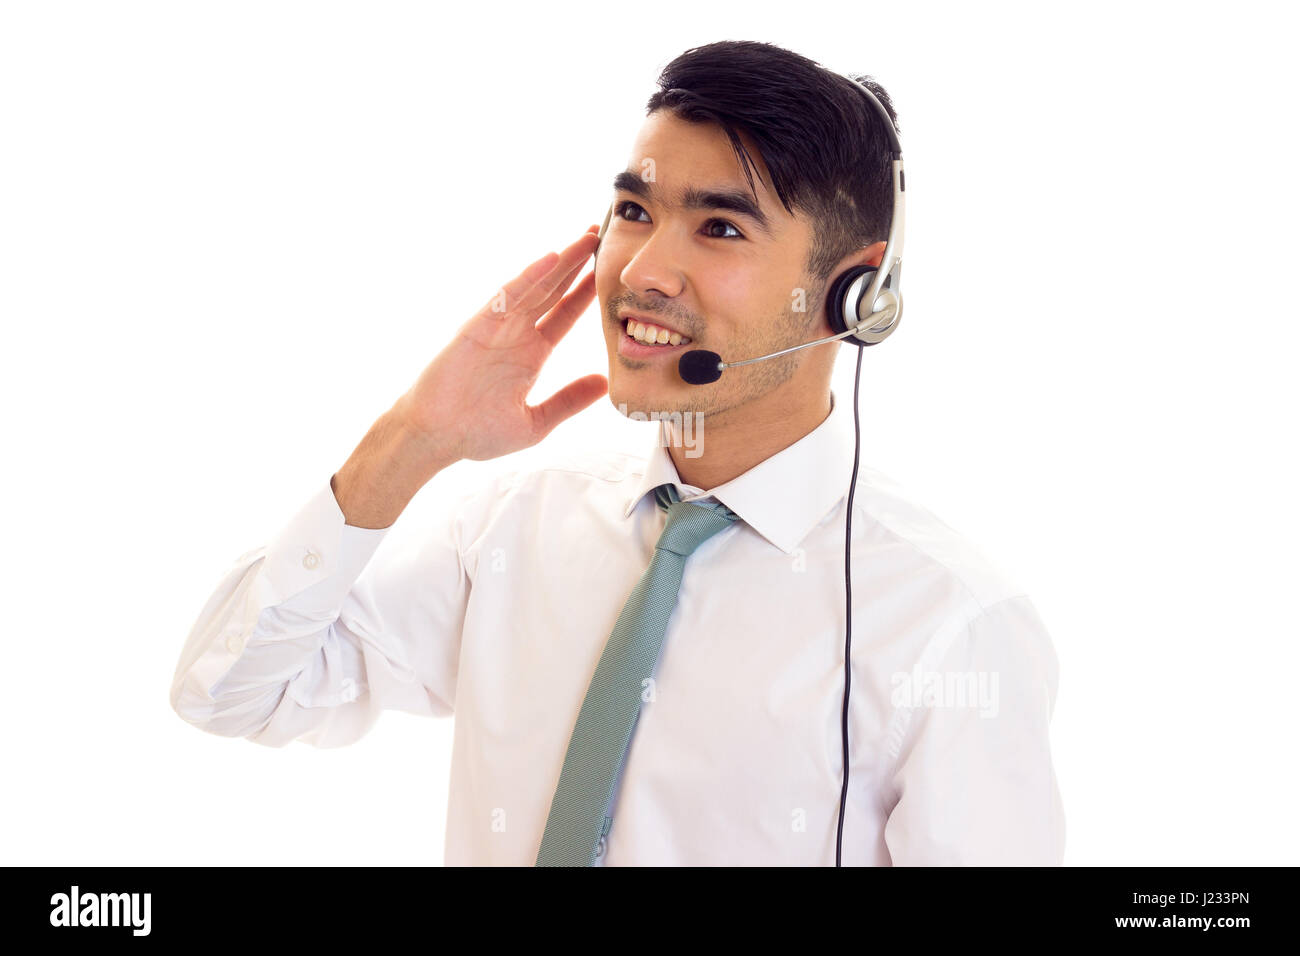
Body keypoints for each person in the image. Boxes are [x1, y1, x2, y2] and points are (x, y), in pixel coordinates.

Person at [170, 40, 1065, 866]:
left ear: (854, 294)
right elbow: (229, 692)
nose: (640, 270)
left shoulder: (947, 623)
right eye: (634, 210)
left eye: (719, 228)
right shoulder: (514, 527)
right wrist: (411, 441)